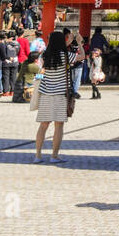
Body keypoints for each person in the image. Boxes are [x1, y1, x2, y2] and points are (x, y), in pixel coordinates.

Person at [34, 31, 75, 163]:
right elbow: (82, 56)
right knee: (59, 126)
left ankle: (38, 155)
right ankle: (54, 155)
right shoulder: (67, 56)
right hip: (60, 94)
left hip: (46, 93)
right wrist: (78, 42)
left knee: (43, 125)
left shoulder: (45, 55)